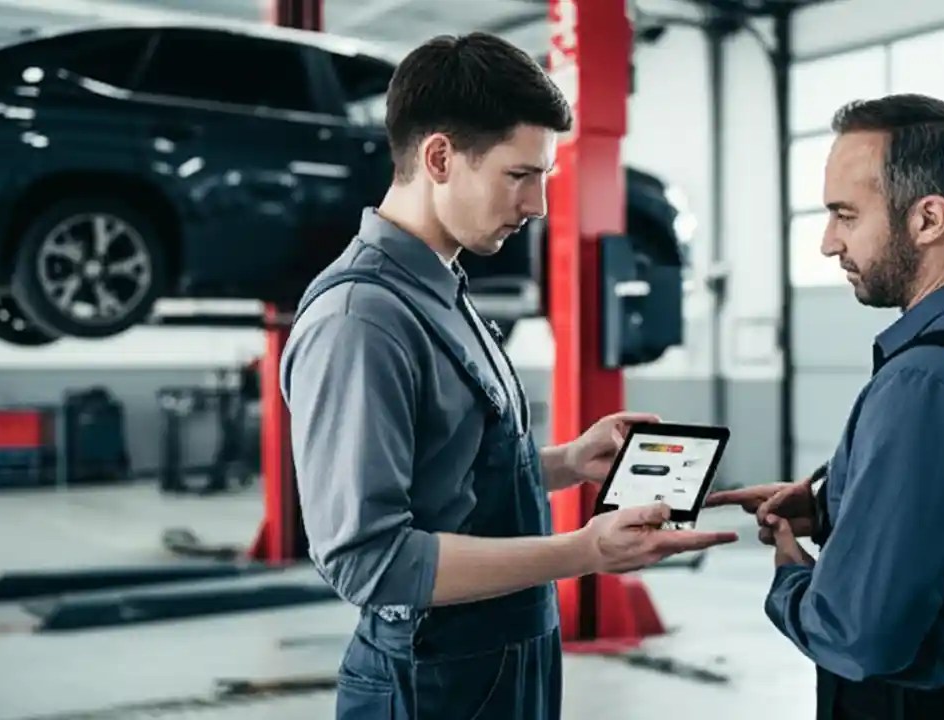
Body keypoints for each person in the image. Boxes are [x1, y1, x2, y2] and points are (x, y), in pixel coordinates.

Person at [280, 33, 737, 720]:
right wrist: (581, 551)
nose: (539, 206)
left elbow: (449, 475)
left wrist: (566, 462)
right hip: (429, 681)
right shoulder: (361, 318)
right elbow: (368, 561)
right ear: (439, 158)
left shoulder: (442, 288)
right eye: (520, 175)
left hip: (502, 660)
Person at [707, 94, 944, 719]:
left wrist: (790, 577)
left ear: (928, 219)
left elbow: (860, 636)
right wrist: (839, 505)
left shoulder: (928, 383)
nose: (830, 242)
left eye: (845, 215)